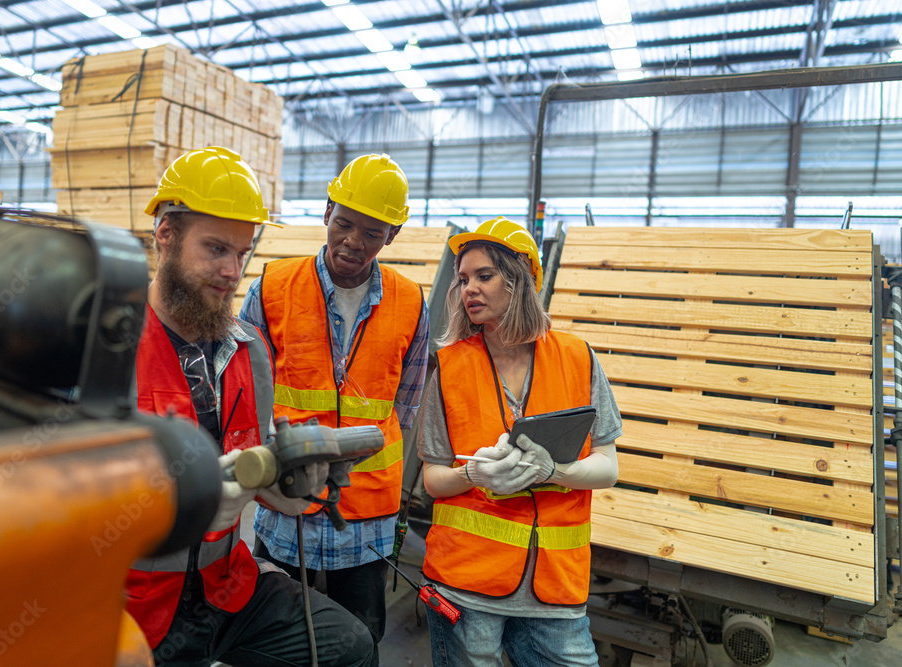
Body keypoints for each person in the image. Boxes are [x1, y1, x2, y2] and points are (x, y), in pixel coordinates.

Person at [126, 146, 375, 667]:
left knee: (350, 647)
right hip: (133, 603)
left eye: (241, 253)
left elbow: (256, 472)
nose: (231, 271)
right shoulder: (111, 348)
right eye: (216, 248)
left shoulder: (247, 348)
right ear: (165, 234)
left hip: (225, 587)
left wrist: (292, 489)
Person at [239, 153, 430, 661]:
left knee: (361, 636)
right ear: (326, 210)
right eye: (344, 223)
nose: (353, 241)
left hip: (366, 507)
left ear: (391, 235)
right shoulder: (273, 287)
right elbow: (243, 389)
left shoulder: (410, 303)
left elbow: (406, 403)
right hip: (286, 499)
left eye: (371, 232)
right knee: (274, 633)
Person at [416, 217, 622, 667]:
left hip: (555, 590)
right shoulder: (448, 368)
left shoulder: (576, 358)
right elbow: (433, 479)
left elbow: (608, 467)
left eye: (484, 276)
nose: (469, 288)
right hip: (466, 584)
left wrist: (556, 472)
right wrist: (473, 473)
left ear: (521, 280)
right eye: (463, 279)